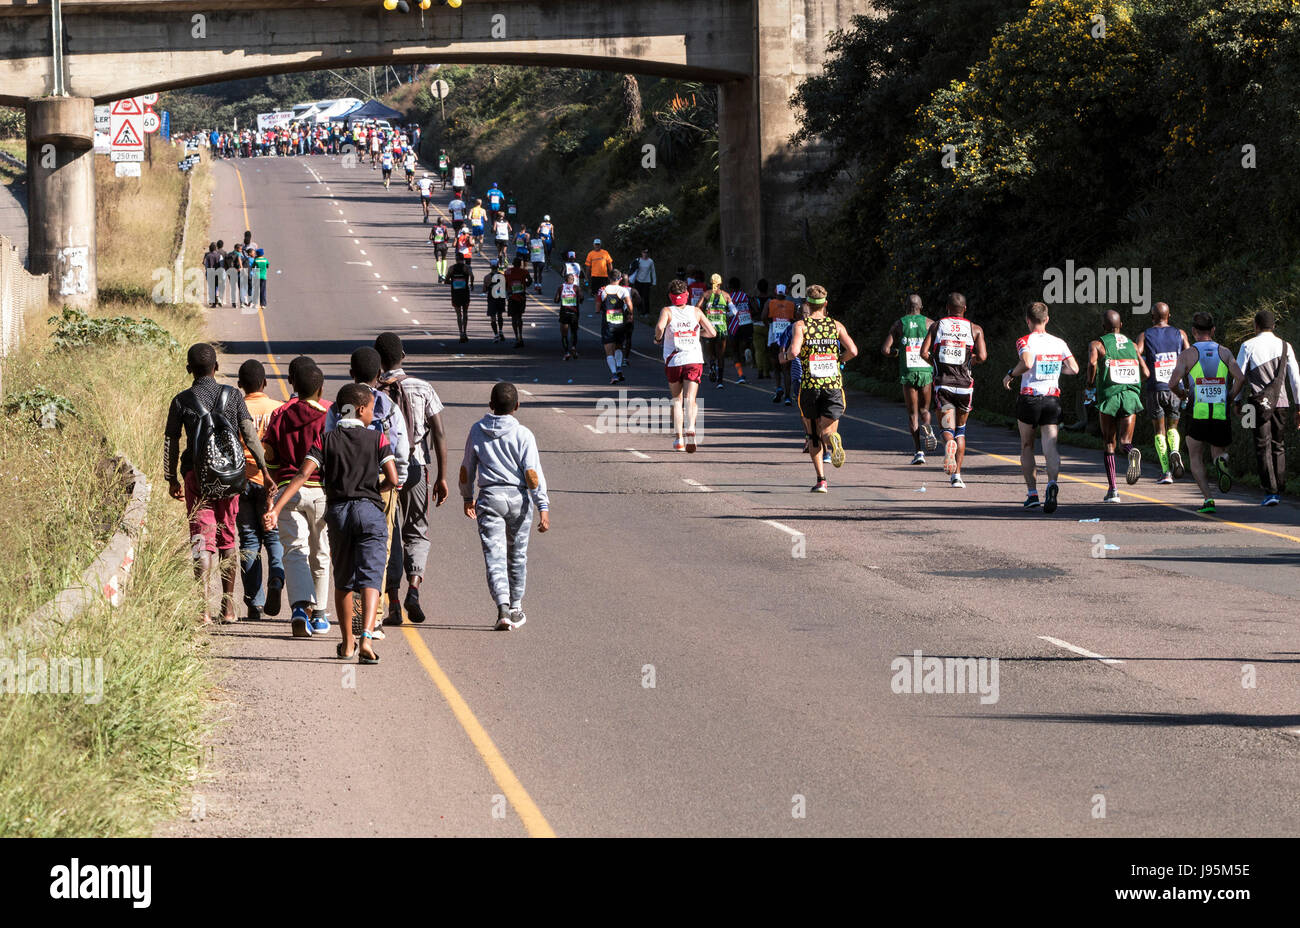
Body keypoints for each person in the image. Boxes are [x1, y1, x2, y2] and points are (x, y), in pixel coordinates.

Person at [267, 384, 397, 664]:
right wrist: (379, 487)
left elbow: (302, 474)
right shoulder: (377, 438)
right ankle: (366, 638)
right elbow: (394, 478)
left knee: (344, 579)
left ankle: (347, 643)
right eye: (371, 408)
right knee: (371, 576)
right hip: (370, 511)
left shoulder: (326, 440)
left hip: (338, 512)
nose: (372, 413)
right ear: (360, 409)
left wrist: (277, 508)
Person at [164, 344, 274, 624]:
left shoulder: (181, 401)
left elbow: (171, 441)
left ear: (189, 369)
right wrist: (264, 470)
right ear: (216, 368)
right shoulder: (233, 395)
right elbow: (250, 436)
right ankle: (228, 607)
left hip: (195, 477)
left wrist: (171, 478)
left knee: (202, 540)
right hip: (231, 478)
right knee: (227, 540)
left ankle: (202, 610)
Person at [325, 348, 410, 639]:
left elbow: (329, 443)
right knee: (378, 553)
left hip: (343, 490)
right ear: (379, 375)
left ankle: (352, 626)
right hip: (381, 487)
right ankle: (374, 621)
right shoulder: (385, 404)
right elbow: (401, 449)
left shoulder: (339, 405)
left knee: (345, 558)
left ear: (351, 373)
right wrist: (396, 483)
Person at [460, 382, 551, 631]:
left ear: (490, 406)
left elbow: (467, 469)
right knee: (517, 555)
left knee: (495, 556)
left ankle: (501, 607)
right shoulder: (523, 434)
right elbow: (532, 473)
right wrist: (542, 506)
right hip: (519, 501)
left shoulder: (477, 430)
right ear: (517, 407)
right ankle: (516, 606)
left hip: (489, 498)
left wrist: (468, 498)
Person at [375, 334, 450, 625]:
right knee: (417, 529)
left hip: (384, 470)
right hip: (417, 466)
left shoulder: (373, 392)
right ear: (403, 355)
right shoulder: (423, 387)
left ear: (378, 359)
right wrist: (442, 476)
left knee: (388, 531)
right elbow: (440, 434)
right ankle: (414, 589)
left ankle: (393, 601)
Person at [262, 363, 333, 637]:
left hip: (287, 491)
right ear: (320, 389)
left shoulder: (281, 413)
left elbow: (270, 456)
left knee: (295, 550)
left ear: (293, 386)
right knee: (321, 551)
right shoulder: (328, 413)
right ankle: (321, 614)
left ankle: (300, 607)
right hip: (321, 492)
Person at [1166, 312, 1247, 514]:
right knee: (1218, 452)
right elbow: (1241, 378)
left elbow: (1172, 383)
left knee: (1195, 456)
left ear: (1193, 332)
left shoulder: (1187, 355)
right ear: (1213, 330)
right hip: (1220, 411)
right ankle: (1222, 462)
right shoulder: (1225, 352)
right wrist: (1230, 396)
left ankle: (1208, 499)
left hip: (1197, 412)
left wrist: (1183, 394)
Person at [1002, 302, 1079, 513]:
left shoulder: (1024, 340)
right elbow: (1074, 368)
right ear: (1047, 319)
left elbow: (1026, 363)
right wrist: (1056, 369)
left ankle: (1032, 494)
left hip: (1029, 398)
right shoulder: (1059, 342)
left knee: (1027, 446)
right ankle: (1052, 483)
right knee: (1050, 446)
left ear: (1028, 320)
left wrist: (1010, 374)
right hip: (1052, 399)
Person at [788, 285, 858, 492]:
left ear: (808, 304)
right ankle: (833, 440)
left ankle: (821, 480)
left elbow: (794, 352)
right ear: (826, 304)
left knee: (812, 435)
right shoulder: (836, 325)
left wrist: (784, 357)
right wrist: (839, 361)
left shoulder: (801, 326)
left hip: (810, 386)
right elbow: (853, 350)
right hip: (833, 385)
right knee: (827, 431)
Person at [235, 360, 285, 621]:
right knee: (274, 538)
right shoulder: (278, 409)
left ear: (240, 384)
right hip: (271, 483)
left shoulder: (235, 407)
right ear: (265, 383)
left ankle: (255, 602)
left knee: (249, 541)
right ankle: (276, 577)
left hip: (242, 481)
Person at [922, 293, 987, 489]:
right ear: (965, 308)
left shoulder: (937, 325)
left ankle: (948, 444)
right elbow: (983, 356)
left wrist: (936, 362)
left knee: (946, 428)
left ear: (947, 308)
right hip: (965, 386)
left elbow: (923, 352)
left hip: (943, 384)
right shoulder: (975, 329)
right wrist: (969, 361)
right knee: (961, 430)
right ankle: (957, 476)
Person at [1236, 309, 1300, 506]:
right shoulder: (1285, 346)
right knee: (1278, 445)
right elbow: (1295, 378)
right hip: (1281, 403)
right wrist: (1299, 405)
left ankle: (1270, 492)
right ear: (1273, 326)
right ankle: (1280, 488)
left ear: (1255, 326)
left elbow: (1238, 376)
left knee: (1261, 445)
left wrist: (1236, 400)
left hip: (1256, 405)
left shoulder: (1247, 346)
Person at [1086, 310, 1146, 503]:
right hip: (1130, 395)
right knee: (1124, 442)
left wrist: (1090, 383)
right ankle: (1131, 452)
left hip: (1109, 398)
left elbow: (1092, 363)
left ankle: (1113, 491)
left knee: (1109, 443)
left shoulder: (1098, 344)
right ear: (1121, 325)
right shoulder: (1133, 345)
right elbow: (1145, 372)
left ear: (1104, 327)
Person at [655, 279, 715, 453]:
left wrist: (659, 337)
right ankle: (691, 428)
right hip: (693, 359)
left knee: (677, 400)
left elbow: (659, 327)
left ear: (670, 296)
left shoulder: (667, 311)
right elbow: (712, 332)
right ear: (687, 295)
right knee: (691, 399)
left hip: (674, 361)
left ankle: (679, 439)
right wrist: (696, 334)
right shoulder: (696, 311)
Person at [1134, 302, 1191, 484]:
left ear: (1152, 317)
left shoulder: (1145, 335)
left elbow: (1136, 351)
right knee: (1173, 427)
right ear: (1169, 315)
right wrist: (1187, 386)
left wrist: (1144, 367)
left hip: (1155, 388)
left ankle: (1166, 472)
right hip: (1175, 388)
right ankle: (1175, 450)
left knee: (1159, 430)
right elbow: (1189, 357)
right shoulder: (1180, 334)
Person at [881, 294, 937, 465]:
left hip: (908, 372)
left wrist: (898, 352)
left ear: (906, 307)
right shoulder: (930, 323)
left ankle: (918, 451)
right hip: (926, 370)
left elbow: (885, 349)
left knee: (912, 414)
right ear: (921, 306)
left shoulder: (899, 323)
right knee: (925, 410)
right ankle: (928, 428)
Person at [697, 274, 732, 388]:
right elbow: (735, 311)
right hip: (721, 328)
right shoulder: (726, 296)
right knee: (721, 355)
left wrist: (703, 317)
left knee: (710, 352)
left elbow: (697, 308)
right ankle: (720, 381)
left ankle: (712, 365)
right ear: (720, 283)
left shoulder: (706, 294)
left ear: (710, 283)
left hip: (709, 328)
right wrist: (725, 314)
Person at [764, 284, 797, 404]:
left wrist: (770, 327)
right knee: (786, 369)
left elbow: (763, 316)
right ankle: (788, 397)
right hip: (787, 339)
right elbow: (796, 320)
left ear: (775, 292)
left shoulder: (770, 303)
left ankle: (778, 387)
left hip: (773, 337)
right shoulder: (792, 305)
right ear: (786, 293)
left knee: (775, 366)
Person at [599, 274, 635, 383]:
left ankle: (614, 374)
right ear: (619, 279)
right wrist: (630, 314)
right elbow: (629, 304)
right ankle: (619, 367)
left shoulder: (602, 290)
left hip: (608, 323)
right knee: (619, 346)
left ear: (609, 279)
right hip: (620, 322)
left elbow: (597, 307)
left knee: (609, 350)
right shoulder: (624, 290)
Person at [727, 276, 753, 384]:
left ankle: (741, 375)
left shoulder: (729, 297)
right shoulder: (746, 295)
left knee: (735, 351)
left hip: (735, 325)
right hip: (747, 323)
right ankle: (747, 350)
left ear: (730, 287)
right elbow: (753, 307)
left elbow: (728, 312)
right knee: (746, 343)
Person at [447, 254, 475, 343]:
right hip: (465, 293)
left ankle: (460, 333)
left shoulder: (451, 268)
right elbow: (472, 276)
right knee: (465, 313)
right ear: (463, 259)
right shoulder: (467, 267)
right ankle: (465, 332)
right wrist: (471, 284)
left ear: (456, 259)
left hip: (455, 294)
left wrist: (452, 281)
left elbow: (446, 280)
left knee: (459, 314)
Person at [504, 257, 531, 348]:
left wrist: (508, 289)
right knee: (519, 317)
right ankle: (520, 336)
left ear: (513, 263)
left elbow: (504, 283)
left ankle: (517, 337)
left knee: (513, 318)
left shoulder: (508, 272)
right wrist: (525, 285)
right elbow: (530, 281)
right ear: (520, 264)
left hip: (512, 297)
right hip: (521, 297)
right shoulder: (524, 272)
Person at [556, 271, 582, 360]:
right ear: (573, 280)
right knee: (574, 332)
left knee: (564, 334)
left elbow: (556, 300)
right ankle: (574, 347)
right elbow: (581, 299)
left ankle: (566, 352)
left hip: (564, 313)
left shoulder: (561, 287)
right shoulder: (576, 288)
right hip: (574, 313)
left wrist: (563, 297)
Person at [752, 279, 771, 380]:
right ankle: (766, 372)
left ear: (758, 288)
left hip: (757, 325)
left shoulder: (754, 299)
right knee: (768, 350)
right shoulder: (771, 299)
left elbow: (752, 312)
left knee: (759, 350)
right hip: (768, 325)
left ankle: (760, 370)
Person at [484, 259, 507, 343]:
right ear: (498, 267)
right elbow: (506, 287)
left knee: (493, 317)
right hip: (500, 297)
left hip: (492, 298)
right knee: (500, 315)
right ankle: (500, 330)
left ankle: (496, 335)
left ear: (490, 267)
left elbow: (484, 290)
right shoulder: (503, 276)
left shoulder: (487, 277)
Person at [631, 248, 656, 319]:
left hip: (647, 281)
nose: (645, 254)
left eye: (646, 252)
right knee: (638, 297)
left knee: (646, 297)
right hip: (638, 281)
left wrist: (654, 281)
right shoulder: (637, 260)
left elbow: (653, 272)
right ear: (641, 253)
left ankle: (647, 312)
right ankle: (640, 311)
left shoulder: (650, 261)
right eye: (644, 252)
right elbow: (632, 269)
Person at [429, 217, 450, 284]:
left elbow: (430, 237)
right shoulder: (444, 228)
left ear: (437, 222)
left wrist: (433, 239)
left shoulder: (434, 228)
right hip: (443, 245)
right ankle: (444, 275)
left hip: (436, 246)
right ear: (443, 222)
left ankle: (440, 274)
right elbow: (447, 236)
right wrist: (446, 240)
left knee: (438, 260)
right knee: (444, 258)